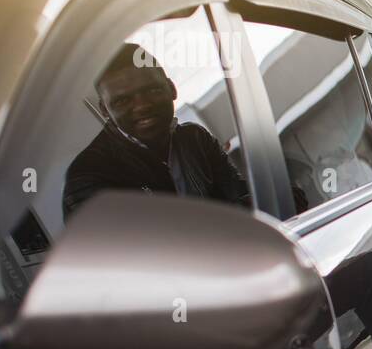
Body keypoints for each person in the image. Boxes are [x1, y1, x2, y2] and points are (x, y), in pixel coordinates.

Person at [62, 43, 250, 218]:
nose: (142, 106)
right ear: (105, 111)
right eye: (123, 101)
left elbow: (247, 203)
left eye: (152, 90)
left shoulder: (197, 139)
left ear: (172, 89)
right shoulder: (88, 176)